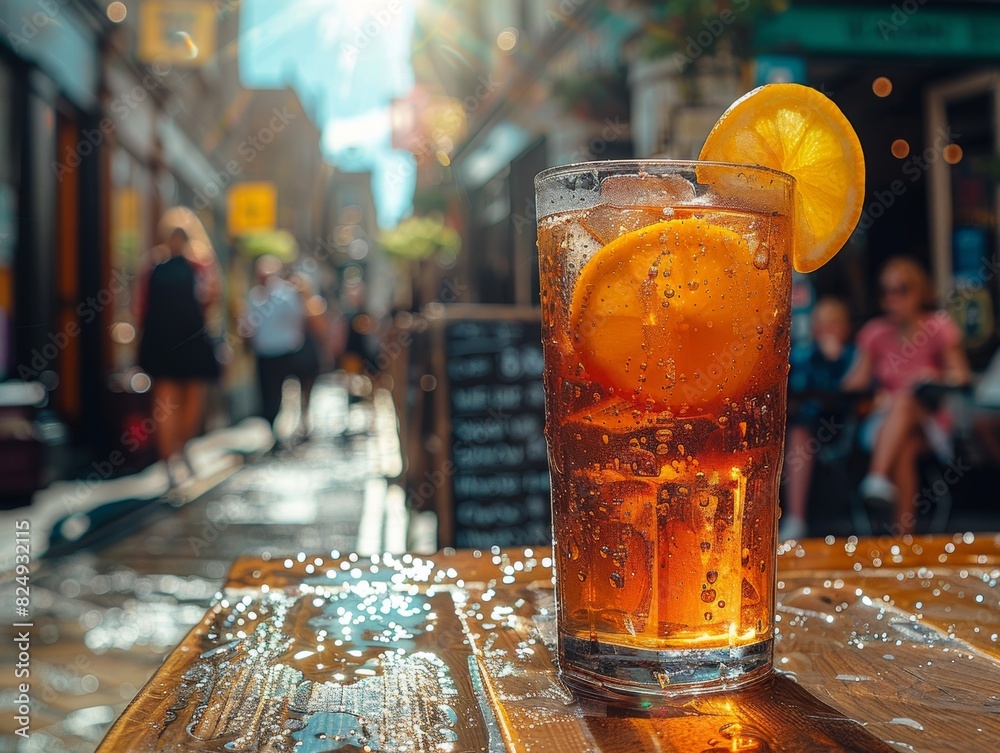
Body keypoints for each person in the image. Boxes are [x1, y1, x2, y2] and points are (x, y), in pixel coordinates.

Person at [842, 257, 970, 532]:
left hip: (931, 421)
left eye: (901, 289)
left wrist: (935, 378)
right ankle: (903, 539)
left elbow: (962, 376)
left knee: (906, 400)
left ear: (919, 290)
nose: (893, 298)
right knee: (906, 447)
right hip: (885, 422)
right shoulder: (874, 331)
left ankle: (876, 478)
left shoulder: (938, 325)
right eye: (885, 291)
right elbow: (854, 383)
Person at [138, 209, 221, 486]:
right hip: (187, 341)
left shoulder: (155, 265)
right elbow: (210, 300)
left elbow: (142, 308)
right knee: (181, 403)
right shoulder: (197, 265)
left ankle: (173, 459)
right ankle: (177, 455)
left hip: (166, 342)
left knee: (168, 404)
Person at [780, 297, 855, 540]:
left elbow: (853, 392)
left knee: (801, 433)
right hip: (804, 424)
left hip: (843, 428)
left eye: (833, 324)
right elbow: (796, 389)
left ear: (845, 328)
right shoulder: (802, 354)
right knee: (799, 432)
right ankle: (795, 519)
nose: (826, 331)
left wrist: (835, 362)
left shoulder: (856, 356)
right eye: (820, 325)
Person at [244, 256, 310, 436]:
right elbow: (249, 323)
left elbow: (298, 319)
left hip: (285, 351)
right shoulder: (254, 296)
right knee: (267, 393)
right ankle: (271, 427)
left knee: (285, 390)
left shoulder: (287, 294)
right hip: (264, 353)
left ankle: (291, 423)